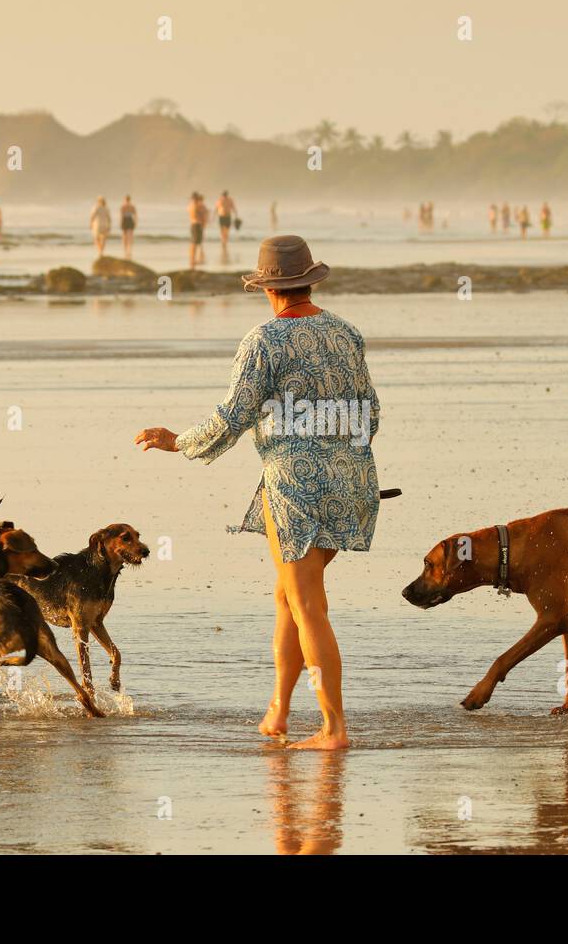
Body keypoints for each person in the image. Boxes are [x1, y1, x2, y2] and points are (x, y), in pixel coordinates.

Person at [135, 235, 380, 750]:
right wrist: (341, 455)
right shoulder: (346, 333)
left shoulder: (263, 342)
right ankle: (280, 710)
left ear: (267, 288)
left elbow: (233, 416)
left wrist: (178, 442)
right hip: (354, 481)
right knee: (288, 597)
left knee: (307, 602)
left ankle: (334, 728)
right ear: (309, 279)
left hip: (294, 487)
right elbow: (370, 410)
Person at [188, 192, 209, 268]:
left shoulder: (193, 205)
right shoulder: (194, 205)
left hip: (196, 225)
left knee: (195, 243)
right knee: (194, 243)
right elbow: (197, 215)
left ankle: (193, 259)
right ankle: (192, 259)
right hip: (196, 225)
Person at [120, 195, 137, 260]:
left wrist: (120, 223)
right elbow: (135, 215)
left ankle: (126, 249)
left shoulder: (123, 206)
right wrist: (135, 222)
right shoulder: (131, 207)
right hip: (129, 220)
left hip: (126, 220)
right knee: (129, 236)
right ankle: (128, 249)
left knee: (126, 236)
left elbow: (121, 216)